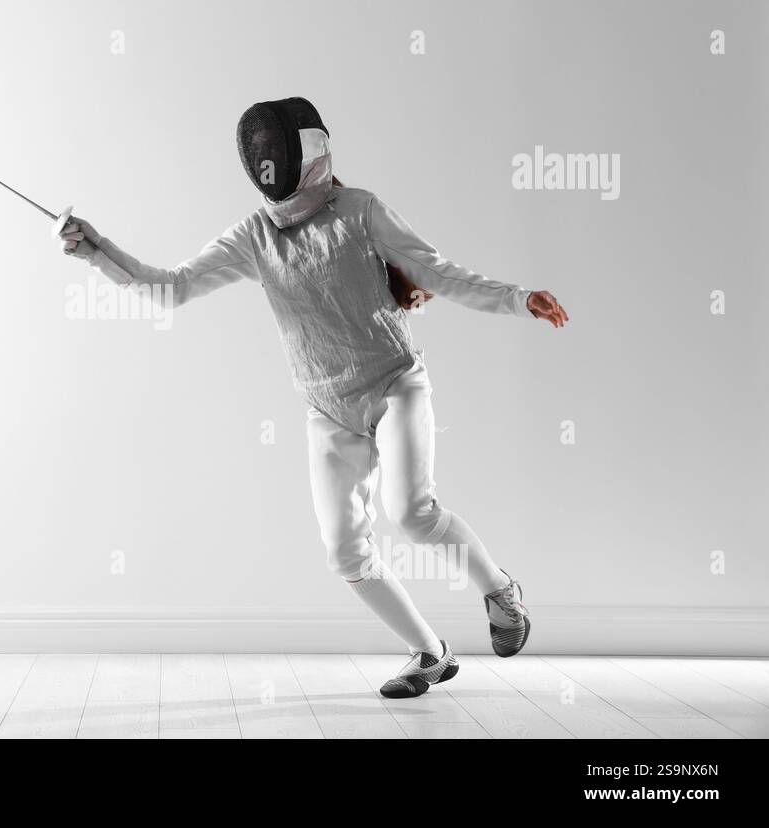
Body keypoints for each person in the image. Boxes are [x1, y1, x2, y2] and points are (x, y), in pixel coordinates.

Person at [57, 97, 568, 698]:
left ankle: (499, 590)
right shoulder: (253, 235)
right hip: (328, 411)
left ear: (310, 152)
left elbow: (436, 272)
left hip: (395, 386)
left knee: (411, 513)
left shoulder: (359, 210)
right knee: (345, 551)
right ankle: (428, 652)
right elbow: (172, 288)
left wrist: (517, 297)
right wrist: (97, 252)